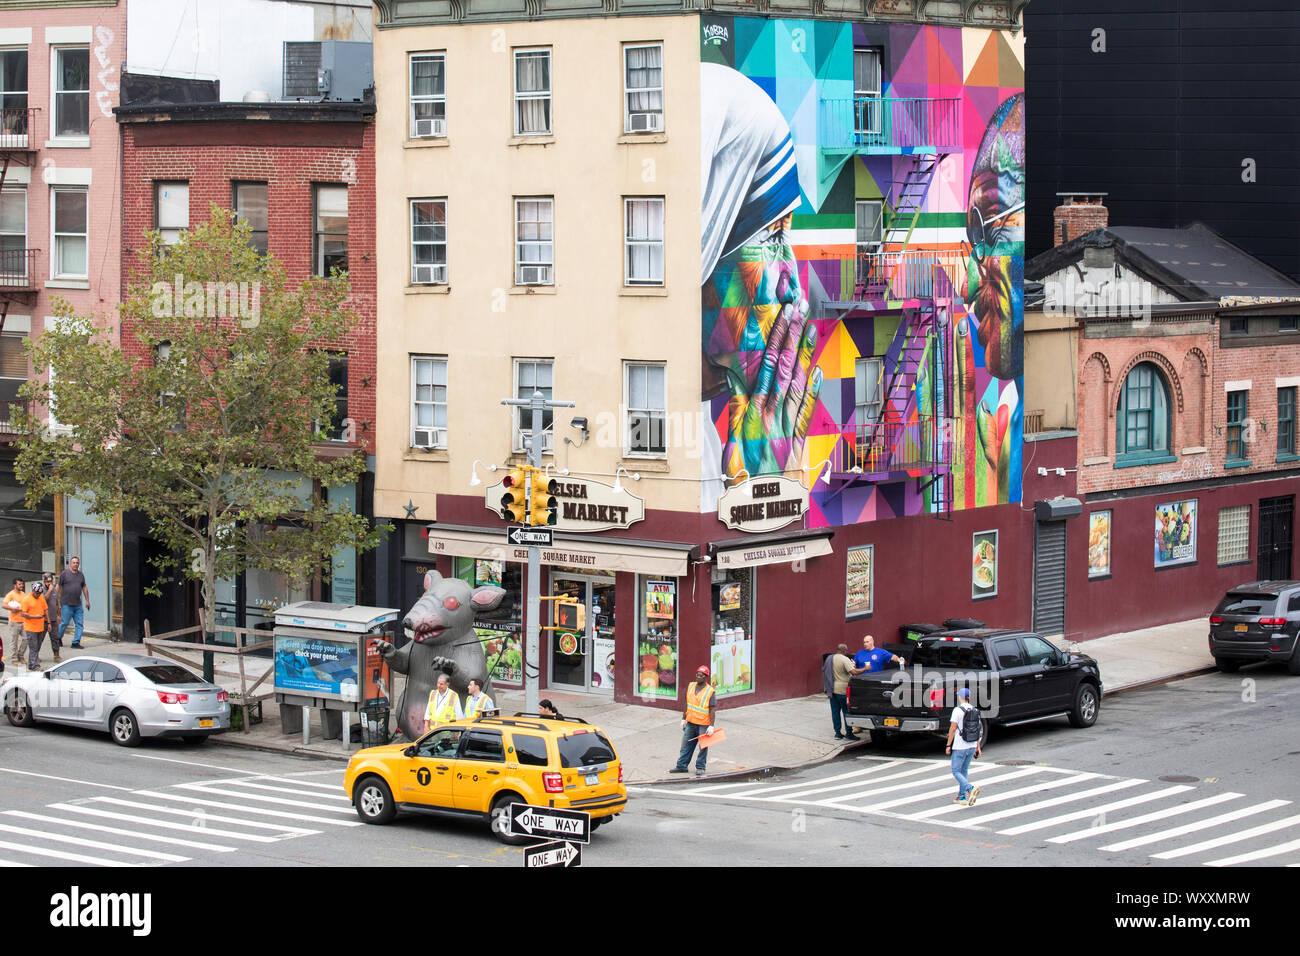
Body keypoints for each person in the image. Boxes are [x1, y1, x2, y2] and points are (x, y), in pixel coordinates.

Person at [670, 666, 716, 777]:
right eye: (697, 674)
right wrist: (683, 718)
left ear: (706, 677)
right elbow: (686, 703)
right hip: (690, 722)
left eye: (701, 675)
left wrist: (711, 726)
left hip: (703, 724)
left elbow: (712, 709)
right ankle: (682, 766)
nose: (698, 677)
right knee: (686, 745)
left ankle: (700, 767)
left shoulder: (710, 691)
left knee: (703, 747)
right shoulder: (691, 686)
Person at [946, 687, 983, 806]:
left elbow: (952, 729)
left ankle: (970, 788)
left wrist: (948, 745)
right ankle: (961, 797)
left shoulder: (957, 710)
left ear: (960, 697)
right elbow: (977, 730)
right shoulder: (975, 710)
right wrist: (978, 747)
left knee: (956, 771)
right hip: (972, 745)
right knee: (964, 770)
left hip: (960, 745)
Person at [829, 644, 864, 741]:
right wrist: (865, 669)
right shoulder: (844, 659)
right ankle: (849, 733)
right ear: (844, 651)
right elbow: (854, 672)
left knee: (835, 712)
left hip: (832, 689)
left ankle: (837, 733)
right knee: (846, 711)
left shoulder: (831, 658)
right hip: (843, 690)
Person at [57, 556, 90, 649]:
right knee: (64, 623)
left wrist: (87, 600)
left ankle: (76, 642)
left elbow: (84, 587)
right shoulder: (64, 574)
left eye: (77, 563)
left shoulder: (81, 575)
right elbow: (58, 586)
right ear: (70, 564)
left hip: (77, 604)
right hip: (66, 604)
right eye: (74, 562)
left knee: (79, 624)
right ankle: (58, 638)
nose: (75, 564)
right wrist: (56, 600)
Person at [19, 582, 48, 671]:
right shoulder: (26, 599)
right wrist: (34, 616)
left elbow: (45, 610)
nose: (38, 595)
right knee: (33, 647)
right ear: (33, 591)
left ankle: (31, 664)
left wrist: (49, 623)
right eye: (37, 593)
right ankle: (35, 665)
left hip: (40, 626)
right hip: (30, 627)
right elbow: (22, 613)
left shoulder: (41, 597)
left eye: (39, 593)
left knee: (38, 646)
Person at [4, 578, 24, 665]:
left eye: (22, 584)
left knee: (27, 639)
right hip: (14, 621)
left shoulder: (23, 594)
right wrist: (13, 608)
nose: (21, 586)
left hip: (23, 621)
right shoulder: (10, 595)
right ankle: (14, 659)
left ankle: (20, 655)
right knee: (14, 641)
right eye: (19, 584)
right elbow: (4, 605)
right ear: (15, 585)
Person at [43, 574, 61, 663]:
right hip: (44, 620)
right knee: (39, 639)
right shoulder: (41, 590)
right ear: (44, 582)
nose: (49, 583)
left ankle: (56, 655)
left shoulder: (54, 590)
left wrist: (58, 615)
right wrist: (49, 590)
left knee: (55, 638)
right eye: (47, 582)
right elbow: (43, 600)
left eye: (50, 581)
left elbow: (56, 603)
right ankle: (35, 656)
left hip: (53, 619)